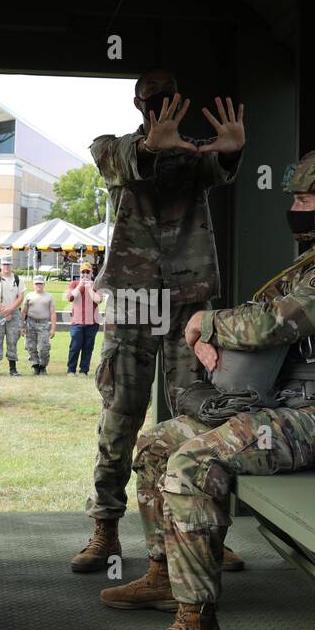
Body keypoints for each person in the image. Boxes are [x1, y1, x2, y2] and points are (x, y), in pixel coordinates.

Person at [101, 150, 315, 630]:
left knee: (194, 464)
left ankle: (197, 627)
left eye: (305, 200)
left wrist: (204, 324)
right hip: (284, 410)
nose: (296, 208)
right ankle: (166, 574)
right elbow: (264, 320)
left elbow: (276, 324)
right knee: (157, 444)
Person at [74, 67, 247, 573]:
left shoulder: (196, 155)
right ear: (137, 105)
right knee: (121, 413)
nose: (159, 106)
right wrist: (154, 145)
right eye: (151, 100)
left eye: (167, 97)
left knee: (195, 413)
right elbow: (123, 162)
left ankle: (201, 530)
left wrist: (231, 149)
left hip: (187, 302)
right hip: (133, 300)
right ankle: (105, 529)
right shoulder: (115, 147)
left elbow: (220, 167)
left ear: (180, 100)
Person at [0, 258, 24, 376]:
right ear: (0, 266)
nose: (6, 266)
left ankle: (13, 368)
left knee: (12, 340)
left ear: (11, 265)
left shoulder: (17, 279)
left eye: (8, 264)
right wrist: (4, 310)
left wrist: (10, 310)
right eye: (4, 264)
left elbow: (21, 297)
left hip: (14, 312)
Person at [65, 262, 101, 376]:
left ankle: (83, 370)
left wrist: (90, 288)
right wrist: (80, 286)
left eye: (87, 271)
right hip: (77, 322)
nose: (85, 274)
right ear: (80, 273)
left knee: (88, 348)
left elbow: (98, 300)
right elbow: (70, 297)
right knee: (75, 347)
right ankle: (71, 370)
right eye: (83, 272)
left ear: (92, 272)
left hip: (92, 322)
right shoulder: (74, 283)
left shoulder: (96, 285)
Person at [22, 274, 57, 374]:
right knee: (30, 346)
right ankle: (35, 365)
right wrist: (22, 326)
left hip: (43, 324)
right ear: (33, 284)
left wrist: (53, 328)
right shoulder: (29, 296)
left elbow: (53, 313)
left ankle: (43, 366)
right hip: (30, 323)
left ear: (44, 284)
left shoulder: (49, 297)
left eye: (40, 284)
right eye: (37, 283)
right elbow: (24, 312)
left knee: (44, 348)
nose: (39, 285)